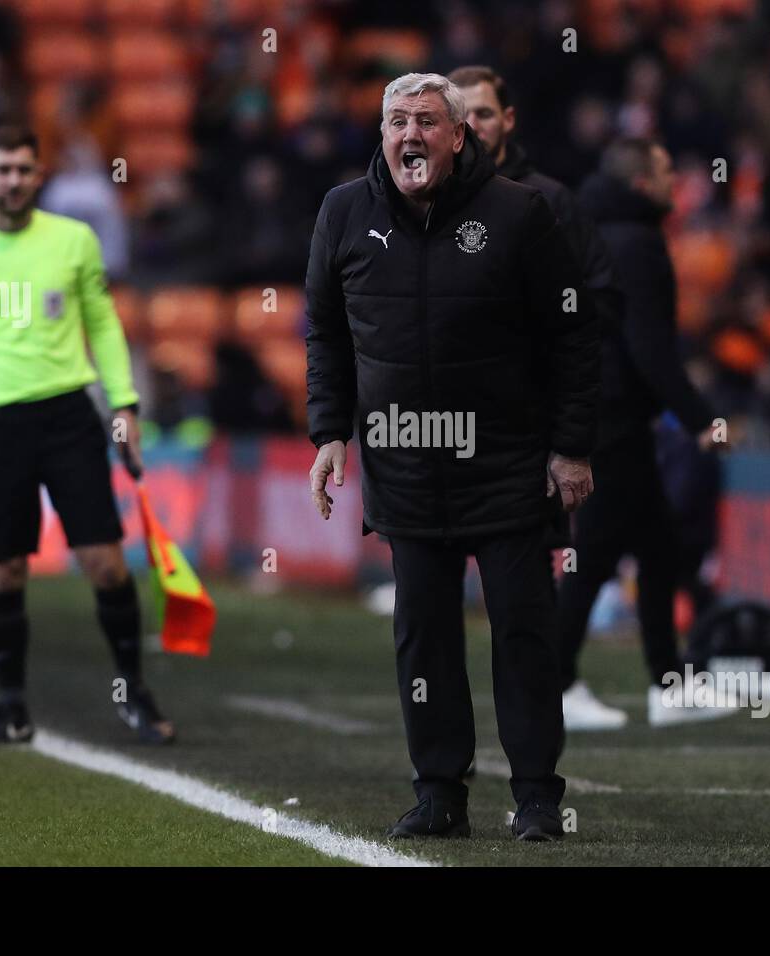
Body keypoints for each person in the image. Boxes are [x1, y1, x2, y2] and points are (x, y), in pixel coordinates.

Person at [305, 73, 599, 841]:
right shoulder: (342, 212)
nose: (411, 135)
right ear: (381, 134)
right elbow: (325, 334)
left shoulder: (519, 212)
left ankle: (537, 797)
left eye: (427, 122)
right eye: (397, 121)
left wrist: (570, 446)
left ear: (459, 136)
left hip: (507, 463)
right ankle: (439, 793)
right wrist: (329, 431)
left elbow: (572, 334)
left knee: (524, 634)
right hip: (404, 465)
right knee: (424, 638)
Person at [0, 125, 174, 745]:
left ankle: (133, 693)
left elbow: (103, 324)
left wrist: (125, 405)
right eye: (2, 169)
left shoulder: (73, 241)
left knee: (104, 563)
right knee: (3, 572)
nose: (13, 180)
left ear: (39, 176)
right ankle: (11, 707)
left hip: (68, 417)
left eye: (23, 169)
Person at [450, 63, 627, 732]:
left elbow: (600, 306)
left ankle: (540, 728)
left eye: (484, 112)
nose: (473, 125)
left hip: (524, 431)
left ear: (508, 119)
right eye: (461, 114)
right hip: (439, 433)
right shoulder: (418, 198)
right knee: (431, 603)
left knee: (525, 592)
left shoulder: (550, 201)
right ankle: (442, 761)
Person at [555, 137, 731, 728]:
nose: (673, 178)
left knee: (658, 549)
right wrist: (701, 418)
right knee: (596, 554)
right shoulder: (637, 243)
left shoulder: (595, 231)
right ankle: (555, 682)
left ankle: (667, 683)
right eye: (663, 169)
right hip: (615, 418)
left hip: (598, 409)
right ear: (640, 183)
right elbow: (650, 345)